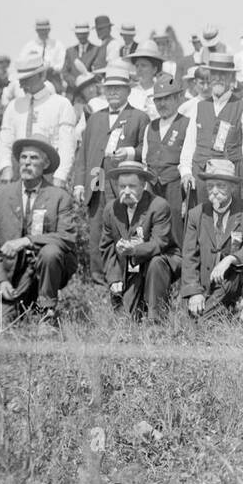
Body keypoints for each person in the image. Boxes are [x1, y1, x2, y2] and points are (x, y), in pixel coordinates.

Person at [0, 138, 77, 328]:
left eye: (34, 158)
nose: (26, 162)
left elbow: (67, 238)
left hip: (48, 272)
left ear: (46, 164)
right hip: (13, 274)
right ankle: (22, 304)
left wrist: (26, 241)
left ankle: (46, 314)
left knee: (51, 252)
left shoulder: (60, 197)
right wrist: (0, 282)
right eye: (23, 157)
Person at [74, 64, 151, 277]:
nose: (113, 92)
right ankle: (99, 278)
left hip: (124, 183)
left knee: (125, 227)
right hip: (96, 180)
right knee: (97, 229)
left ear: (128, 90)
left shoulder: (139, 117)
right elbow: (83, 154)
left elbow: (147, 150)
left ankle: (126, 277)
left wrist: (129, 153)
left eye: (118, 88)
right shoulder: (95, 118)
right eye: (109, 88)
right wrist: (80, 183)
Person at [181, 158, 243, 323]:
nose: (214, 191)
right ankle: (216, 311)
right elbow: (189, 256)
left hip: (236, 280)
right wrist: (194, 292)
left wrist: (230, 259)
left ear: (233, 187)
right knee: (199, 326)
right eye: (210, 186)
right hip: (208, 285)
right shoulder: (196, 214)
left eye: (221, 186)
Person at [100, 159, 179, 321]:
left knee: (156, 263)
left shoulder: (158, 205)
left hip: (160, 262)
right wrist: (114, 277)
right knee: (125, 321)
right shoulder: (111, 209)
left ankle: (156, 320)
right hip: (129, 267)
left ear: (143, 185)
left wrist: (134, 250)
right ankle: (134, 308)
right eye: (122, 187)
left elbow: (160, 243)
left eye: (132, 186)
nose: (127, 191)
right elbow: (106, 247)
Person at [178, 52, 243, 208]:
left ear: (231, 78)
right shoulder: (199, 107)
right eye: (215, 74)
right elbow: (189, 145)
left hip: (230, 180)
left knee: (231, 226)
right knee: (201, 224)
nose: (218, 78)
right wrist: (186, 172)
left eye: (224, 74)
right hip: (201, 179)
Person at [0, 54, 77, 189]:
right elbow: (5, 139)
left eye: (27, 79)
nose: (22, 85)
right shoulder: (14, 106)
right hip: (19, 174)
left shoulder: (61, 104)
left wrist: (60, 176)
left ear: (42, 76)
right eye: (21, 80)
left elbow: (67, 144)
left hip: (50, 173)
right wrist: (5, 167)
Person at [141, 76, 190, 246]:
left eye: (166, 98)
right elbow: (144, 161)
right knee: (153, 229)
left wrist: (185, 198)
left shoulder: (186, 124)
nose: (162, 104)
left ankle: (179, 269)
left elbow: (188, 159)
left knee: (176, 232)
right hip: (153, 187)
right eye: (158, 100)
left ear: (177, 98)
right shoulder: (151, 126)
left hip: (175, 187)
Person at [62, 22, 102, 96]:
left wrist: (86, 83)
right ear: (76, 34)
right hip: (72, 92)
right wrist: (76, 82)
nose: (82, 36)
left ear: (88, 33)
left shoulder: (96, 50)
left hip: (90, 92)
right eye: (79, 34)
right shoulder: (70, 51)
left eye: (84, 33)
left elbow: (98, 71)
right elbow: (65, 72)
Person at [127, 41, 164, 116]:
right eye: (137, 66)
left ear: (154, 69)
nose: (139, 69)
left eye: (143, 65)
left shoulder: (163, 92)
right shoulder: (129, 93)